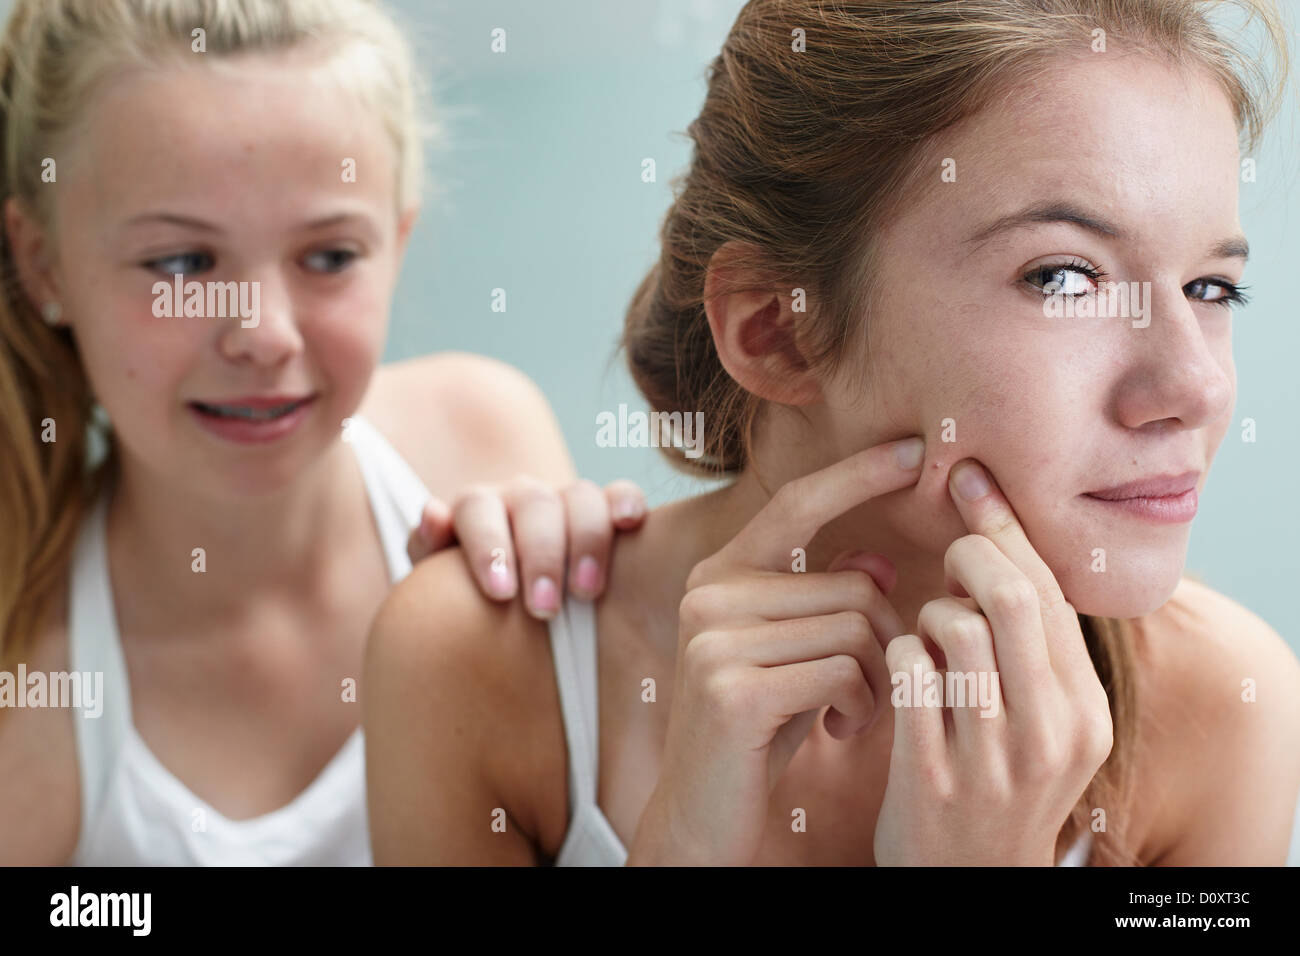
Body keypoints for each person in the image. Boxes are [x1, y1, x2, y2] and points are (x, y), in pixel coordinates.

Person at [365, 0, 1300, 865]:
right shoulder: (480, 664)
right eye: (1064, 278)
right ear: (779, 329)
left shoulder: (1227, 709)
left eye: (1211, 288)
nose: (1197, 385)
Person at [0, 0, 644, 865]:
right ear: (43, 264)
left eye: (331, 256)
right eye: (182, 263)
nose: (265, 333)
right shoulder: (29, 683)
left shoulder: (482, 442)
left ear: (398, 242)